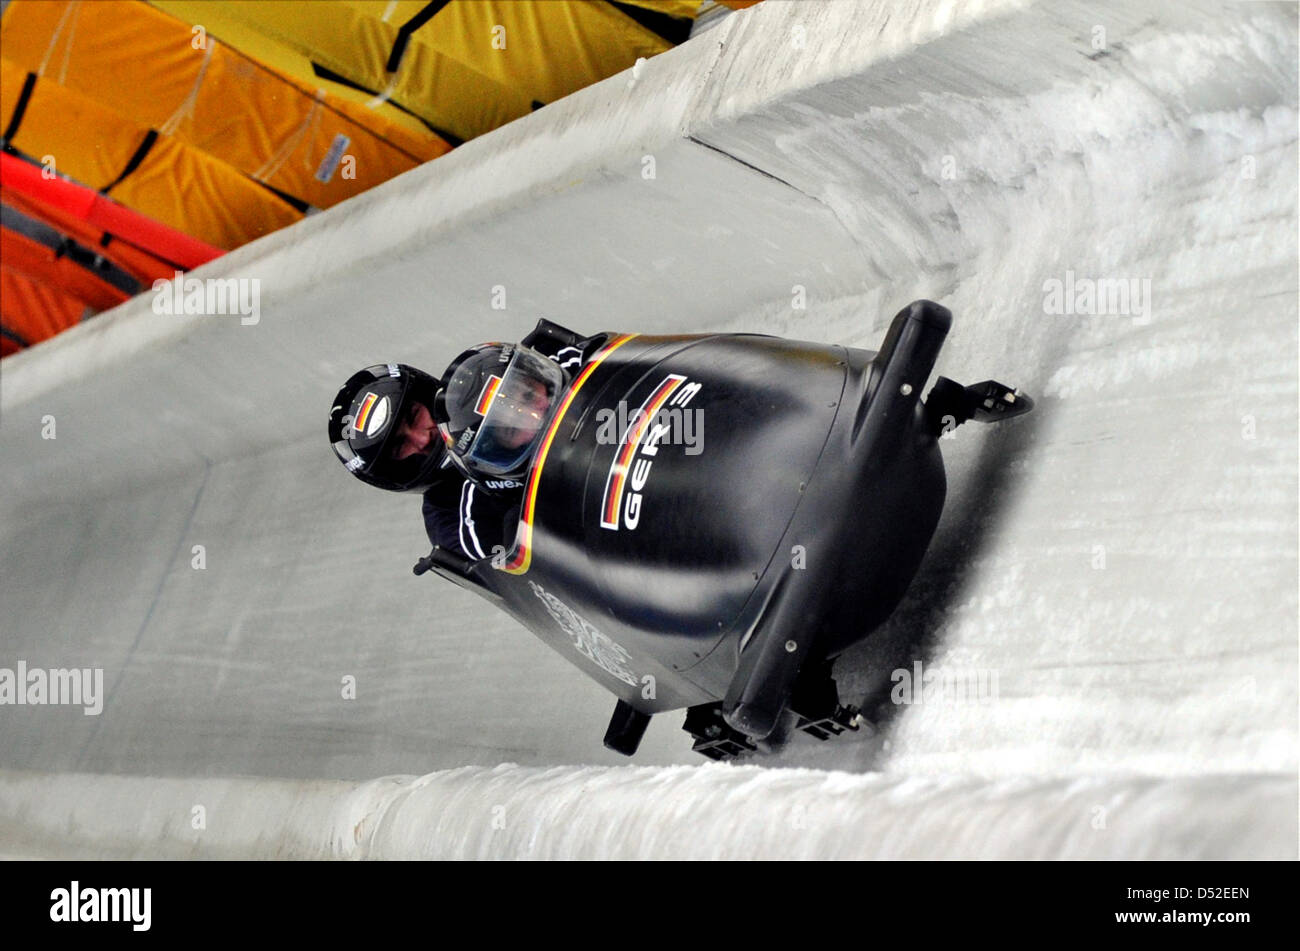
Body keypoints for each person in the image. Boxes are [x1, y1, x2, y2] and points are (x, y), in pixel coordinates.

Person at [328, 320, 601, 561]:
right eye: (400, 446)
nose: (422, 438)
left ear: (425, 394)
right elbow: (530, 574)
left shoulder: (497, 376)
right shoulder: (449, 520)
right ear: (392, 471)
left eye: (414, 416)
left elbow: (596, 357)